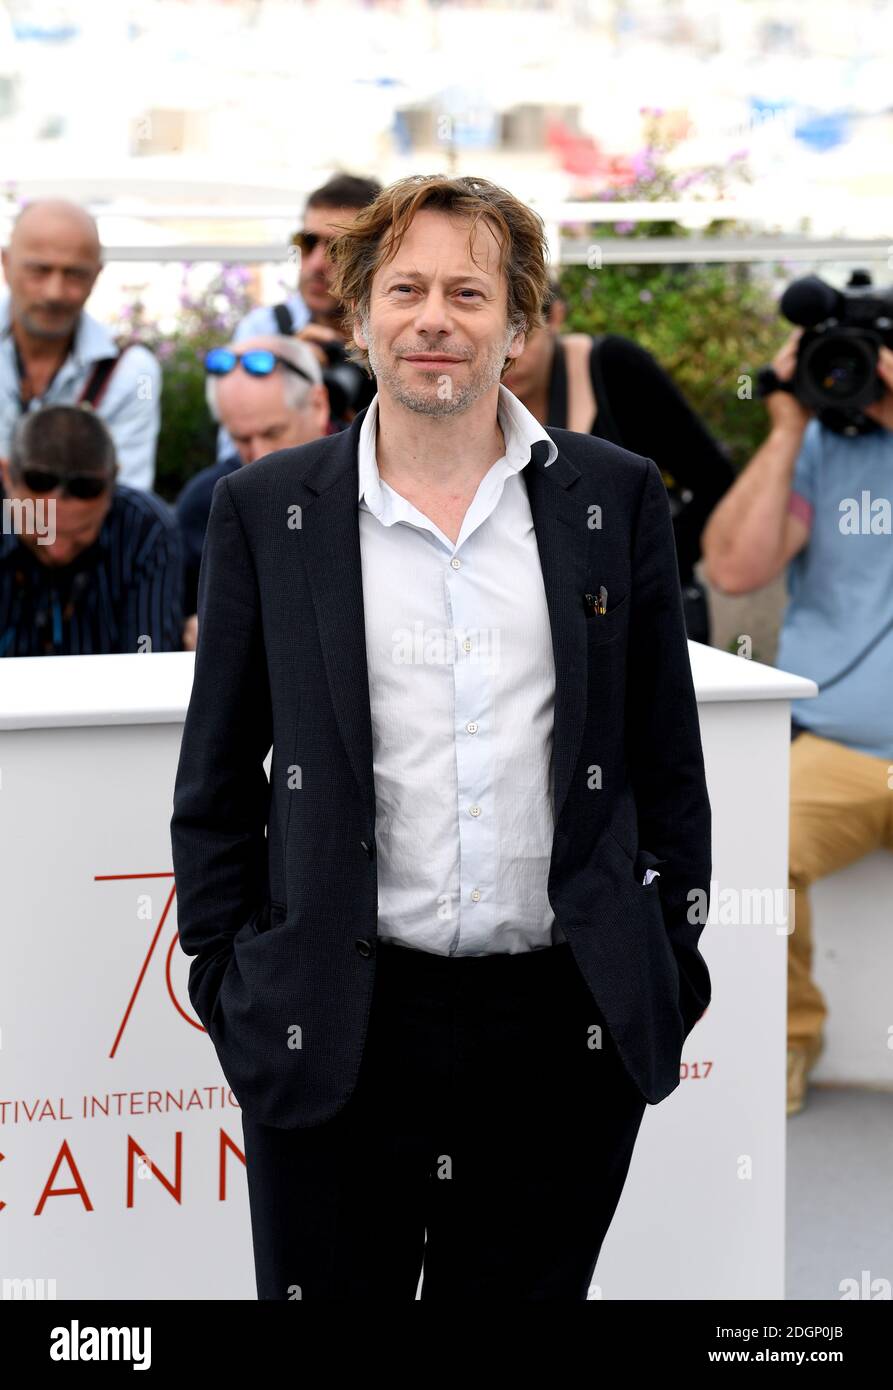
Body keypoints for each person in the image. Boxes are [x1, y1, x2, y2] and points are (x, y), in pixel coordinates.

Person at [170, 173, 712, 1301]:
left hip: (559, 1030)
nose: (433, 319)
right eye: (404, 288)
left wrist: (666, 961)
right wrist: (230, 977)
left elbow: (666, 761)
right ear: (358, 312)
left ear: (516, 325)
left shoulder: (610, 497)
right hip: (336, 1023)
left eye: (469, 292)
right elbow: (216, 781)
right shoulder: (268, 511)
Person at [701, 328, 893, 1115]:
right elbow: (732, 566)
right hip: (840, 750)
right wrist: (786, 425)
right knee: (753, 854)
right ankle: (788, 1037)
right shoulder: (818, 443)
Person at [503, 280, 735, 644]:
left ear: (556, 316)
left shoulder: (617, 369)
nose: (509, 358)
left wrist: (645, 565)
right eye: (495, 346)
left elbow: (716, 481)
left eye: (521, 337)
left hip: (632, 628)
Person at [175, 335, 329, 650]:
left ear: (318, 405)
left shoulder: (369, 478)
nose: (258, 456)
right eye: (241, 439)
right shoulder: (204, 503)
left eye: (273, 433)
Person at [213, 173, 381, 459]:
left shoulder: (392, 336)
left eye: (339, 248)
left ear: (375, 257)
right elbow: (234, 458)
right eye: (307, 242)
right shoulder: (263, 331)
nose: (317, 263)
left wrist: (371, 376)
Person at [0, 199, 161, 491]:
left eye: (74, 274)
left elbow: (128, 495)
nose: (54, 293)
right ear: (5, 263)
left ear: (97, 275)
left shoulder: (138, 375)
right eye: (39, 270)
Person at [0, 405, 182, 656]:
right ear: (6, 477)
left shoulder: (144, 530)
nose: (57, 551)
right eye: (40, 529)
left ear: (112, 491)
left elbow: (147, 672)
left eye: (80, 532)